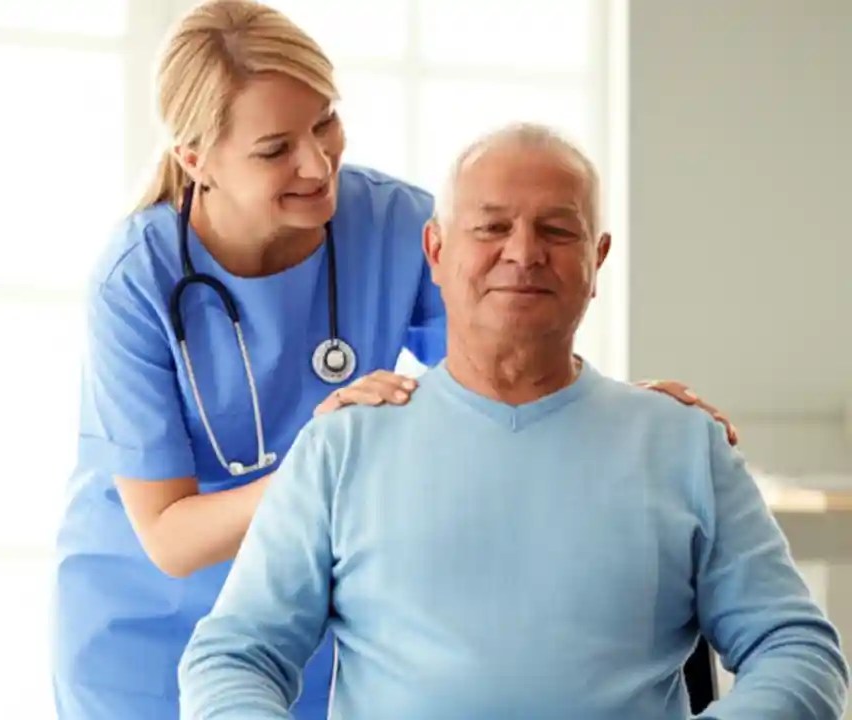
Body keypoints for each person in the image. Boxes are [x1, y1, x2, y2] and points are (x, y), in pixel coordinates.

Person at [52, 2, 737, 717]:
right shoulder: (136, 279)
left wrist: (619, 412)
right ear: (196, 159)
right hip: (144, 635)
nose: (317, 164)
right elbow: (167, 536)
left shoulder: (394, 224)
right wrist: (323, 467)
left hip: (305, 620)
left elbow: (506, 373)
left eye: (325, 122)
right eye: (274, 148)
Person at [177, 123, 850, 719]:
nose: (523, 253)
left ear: (598, 261)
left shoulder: (680, 443)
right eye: (491, 227)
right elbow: (233, 658)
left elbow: (798, 652)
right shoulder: (343, 446)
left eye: (557, 230)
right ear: (436, 252)